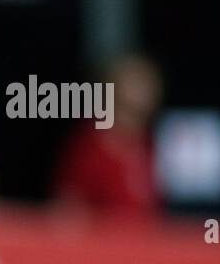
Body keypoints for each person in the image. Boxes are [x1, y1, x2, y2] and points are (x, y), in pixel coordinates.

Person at [52, 54, 162, 218]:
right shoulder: (90, 146)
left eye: (146, 83)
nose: (141, 92)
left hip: (146, 242)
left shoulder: (151, 147)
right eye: (134, 83)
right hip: (103, 242)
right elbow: (68, 212)